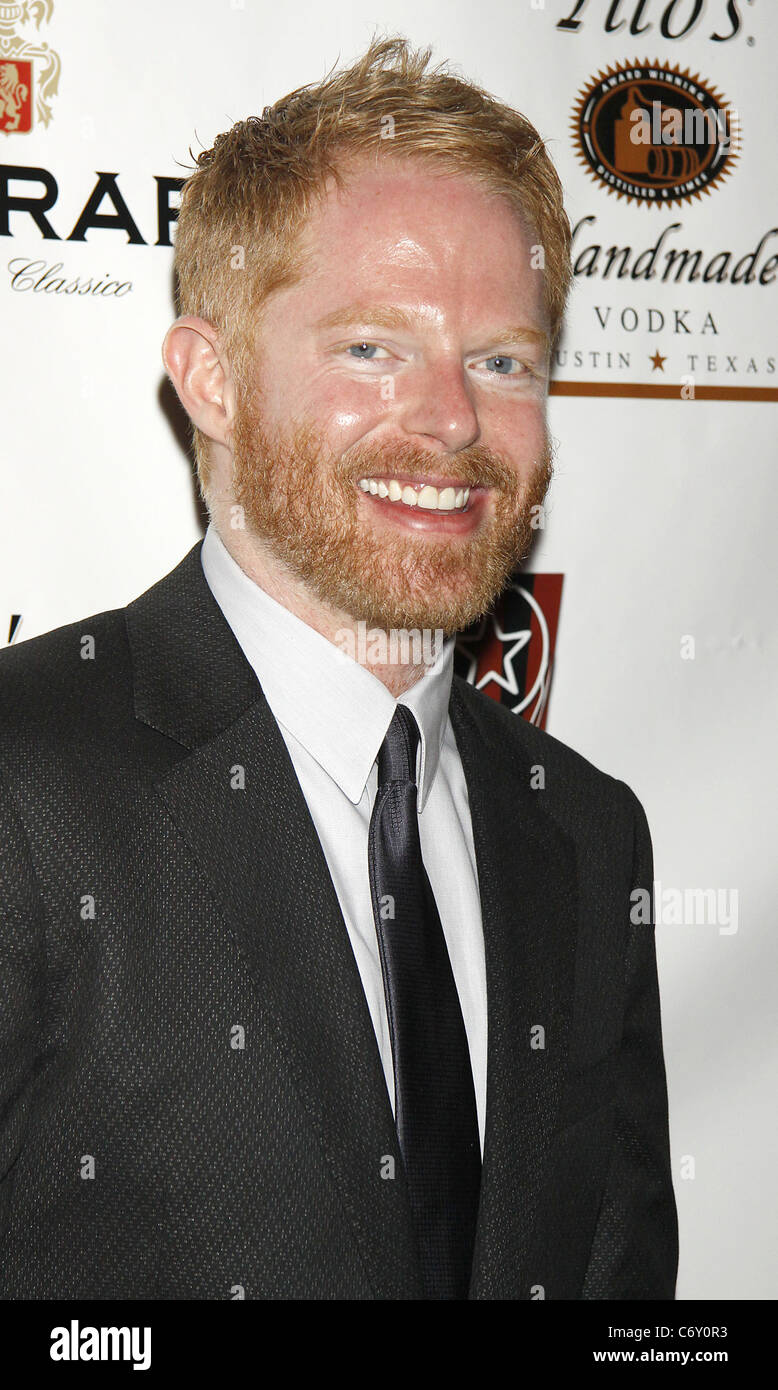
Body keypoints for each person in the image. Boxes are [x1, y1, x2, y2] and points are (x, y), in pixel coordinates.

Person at [0, 36, 678, 1300]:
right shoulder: (24, 783)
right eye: (372, 348)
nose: (455, 421)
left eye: (503, 361)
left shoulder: (586, 831)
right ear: (211, 381)